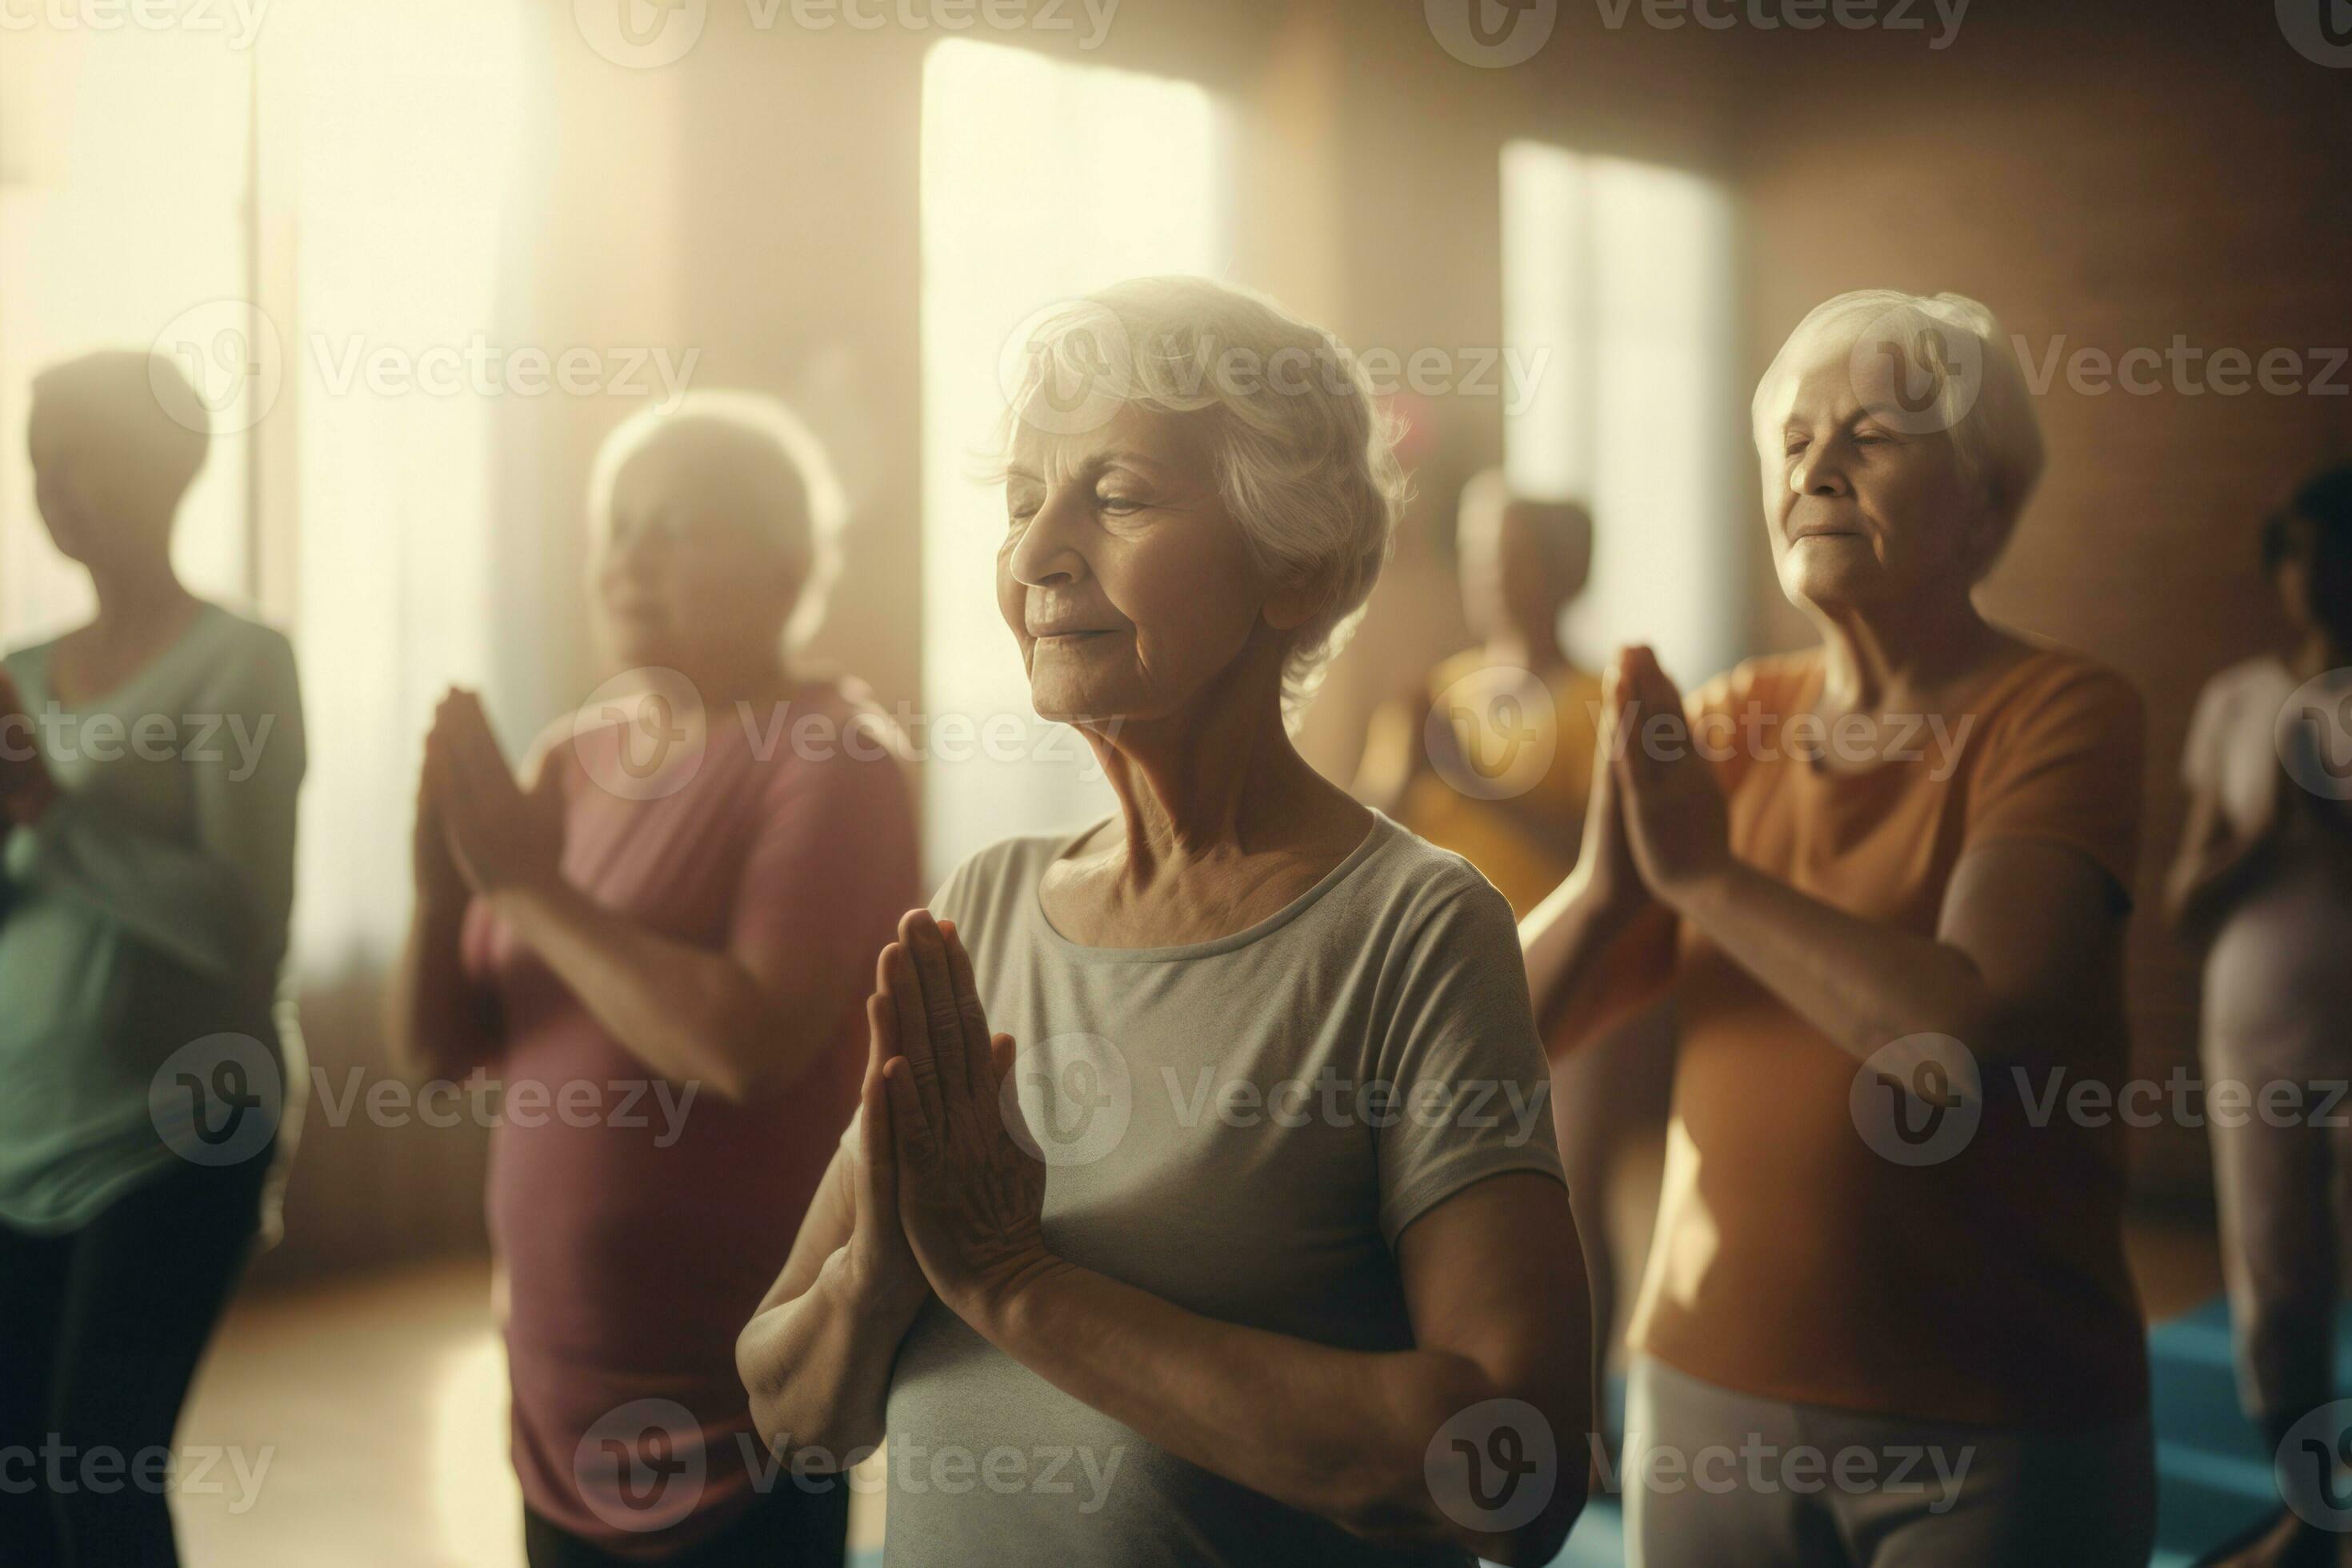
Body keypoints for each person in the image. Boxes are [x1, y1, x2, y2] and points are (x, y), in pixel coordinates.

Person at [738, 277, 1592, 1566]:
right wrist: (881, 1280)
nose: (1034, 554)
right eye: (1022, 502)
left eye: (1118, 495)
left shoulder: (1413, 931)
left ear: (1291, 567)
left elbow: (1512, 1472)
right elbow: (790, 1407)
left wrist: (1018, 1287)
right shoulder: (981, 909)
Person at [1522, 289, 2156, 1563]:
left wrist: (1702, 878)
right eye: (1796, 440)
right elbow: (1509, 1032)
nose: (1818, 463)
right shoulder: (1735, 716)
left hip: (1991, 1416)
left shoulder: (2061, 711)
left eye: (1872, 434)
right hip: (1704, 1387)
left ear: (1984, 502)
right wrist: (1605, 885)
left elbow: (1959, 1027)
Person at [388, 391, 920, 1568]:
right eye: (614, 525)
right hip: (556, 1396)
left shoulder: (829, 754)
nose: (628, 559)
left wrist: (524, 890)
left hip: (747, 1403)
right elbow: (439, 1055)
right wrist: (439, 884)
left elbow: (746, 1045)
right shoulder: (570, 757)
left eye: (676, 526)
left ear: (788, 569)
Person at [0, 350, 306, 1566]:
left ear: (165, 467)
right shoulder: (18, 674)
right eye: (37, 461)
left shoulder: (243, 665)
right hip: (16, 1142)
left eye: (78, 456)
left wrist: (52, 812)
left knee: (95, 1473)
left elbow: (243, 932)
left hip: (174, 1142)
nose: (53, 485)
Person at [2168, 466, 2352, 1568]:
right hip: (2256, 1026)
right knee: (2277, 1282)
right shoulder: (2238, 702)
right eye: (2297, 551)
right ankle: (2307, 1517)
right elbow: (2185, 897)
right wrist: (2271, 825)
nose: (2314, 574)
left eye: (2336, 549)